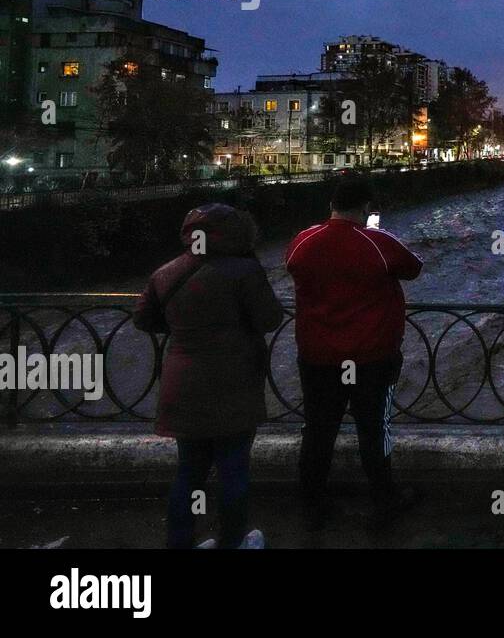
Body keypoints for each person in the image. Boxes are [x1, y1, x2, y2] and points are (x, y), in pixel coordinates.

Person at [133, 203, 282, 549]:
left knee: (189, 472)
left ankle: (181, 542)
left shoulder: (166, 271)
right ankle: (232, 542)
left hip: (183, 382)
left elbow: (143, 320)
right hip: (234, 381)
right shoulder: (244, 270)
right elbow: (270, 319)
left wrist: (183, 329)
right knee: (233, 470)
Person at [286, 175, 423, 529]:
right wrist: (374, 234)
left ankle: (313, 499)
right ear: (366, 208)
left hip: (317, 356)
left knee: (318, 429)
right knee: (374, 428)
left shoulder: (303, 241)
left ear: (330, 205)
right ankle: (384, 497)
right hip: (372, 356)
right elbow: (414, 268)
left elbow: (293, 266)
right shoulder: (378, 242)